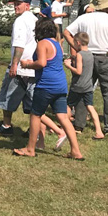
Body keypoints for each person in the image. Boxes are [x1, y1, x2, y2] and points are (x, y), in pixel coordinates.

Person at [0, 0, 65, 146]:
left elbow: (19, 45)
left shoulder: (20, 21)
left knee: (8, 97)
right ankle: (36, 133)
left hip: (23, 67)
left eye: (19, 3)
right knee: (34, 105)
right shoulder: (35, 19)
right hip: (34, 68)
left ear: (27, 5)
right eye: (15, 3)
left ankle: (6, 125)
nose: (16, 6)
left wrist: (14, 64)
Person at [15, 19, 83, 160]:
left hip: (46, 85)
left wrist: (27, 64)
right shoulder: (57, 44)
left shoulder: (43, 43)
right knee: (63, 117)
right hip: (60, 85)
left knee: (35, 115)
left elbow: (41, 63)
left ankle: (30, 149)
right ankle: (76, 151)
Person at [63, 0, 108, 135]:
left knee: (82, 90)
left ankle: (79, 125)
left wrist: (76, 47)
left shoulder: (84, 18)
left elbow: (66, 32)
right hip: (105, 57)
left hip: (86, 56)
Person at [65, 32, 104, 141]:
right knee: (90, 107)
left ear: (78, 42)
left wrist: (68, 66)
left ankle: (65, 128)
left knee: (68, 106)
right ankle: (99, 131)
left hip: (78, 86)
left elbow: (78, 71)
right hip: (88, 86)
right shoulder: (91, 54)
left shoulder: (79, 54)